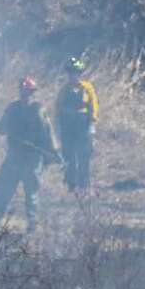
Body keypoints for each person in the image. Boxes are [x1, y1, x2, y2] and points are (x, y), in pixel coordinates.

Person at [0, 77, 58, 231]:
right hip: (15, 155)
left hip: (32, 156)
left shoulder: (38, 110)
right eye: (24, 91)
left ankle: (33, 222)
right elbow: (3, 129)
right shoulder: (13, 108)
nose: (26, 94)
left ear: (33, 92)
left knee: (31, 191)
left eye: (29, 91)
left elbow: (48, 133)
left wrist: (53, 152)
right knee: (5, 186)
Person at [55, 58, 99, 193]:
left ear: (79, 73)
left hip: (83, 124)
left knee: (84, 154)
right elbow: (58, 108)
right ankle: (71, 184)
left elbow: (94, 105)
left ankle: (84, 184)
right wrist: (58, 126)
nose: (72, 75)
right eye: (70, 72)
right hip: (67, 125)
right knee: (68, 154)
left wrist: (92, 124)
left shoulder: (87, 88)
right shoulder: (64, 90)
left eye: (75, 72)